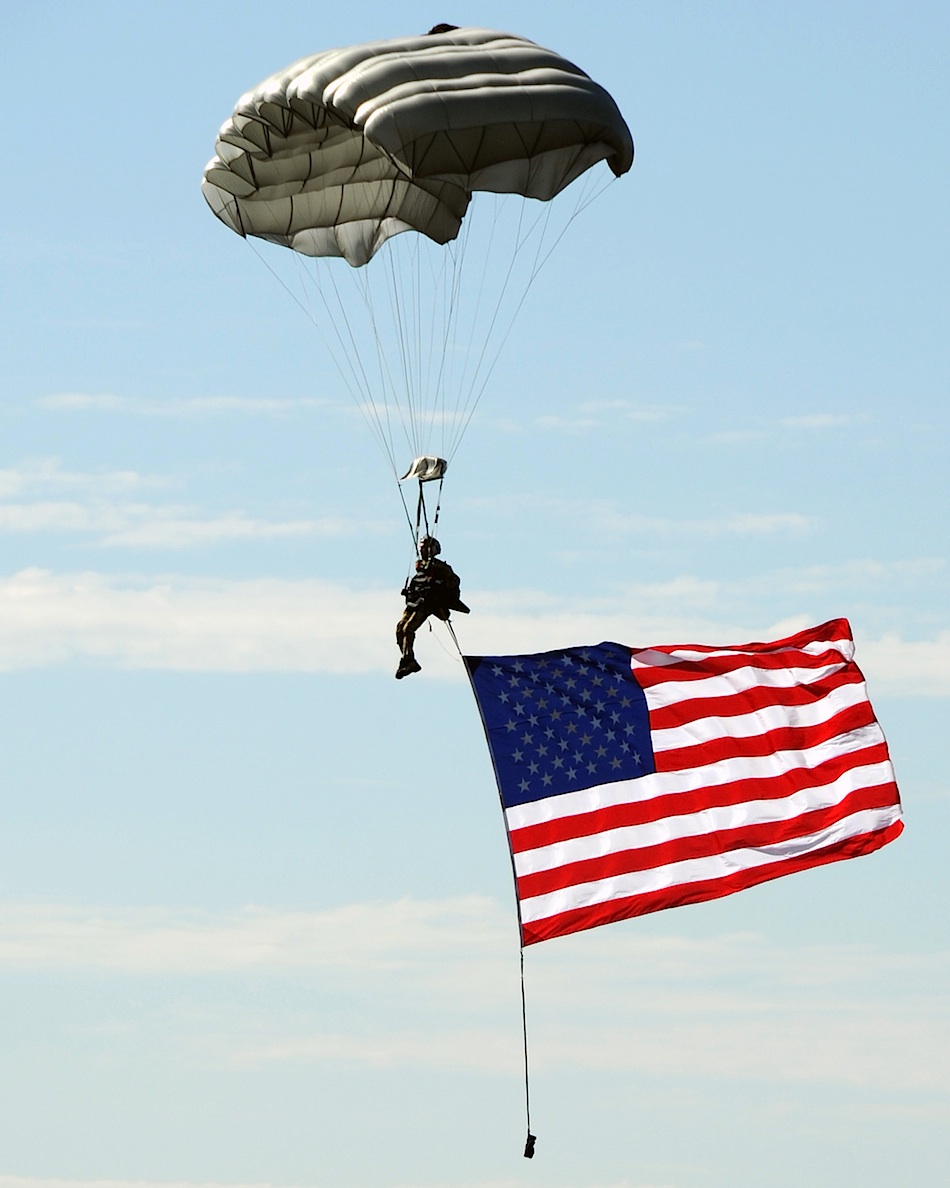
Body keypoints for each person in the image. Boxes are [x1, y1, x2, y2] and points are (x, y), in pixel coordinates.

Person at [395, 536, 469, 678]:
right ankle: (408, 659)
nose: (422, 550)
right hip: (415, 602)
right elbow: (416, 584)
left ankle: (408, 659)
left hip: (427, 603)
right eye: (421, 547)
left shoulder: (440, 567)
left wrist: (438, 584)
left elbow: (454, 581)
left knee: (408, 628)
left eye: (425, 547)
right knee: (400, 628)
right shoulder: (421, 568)